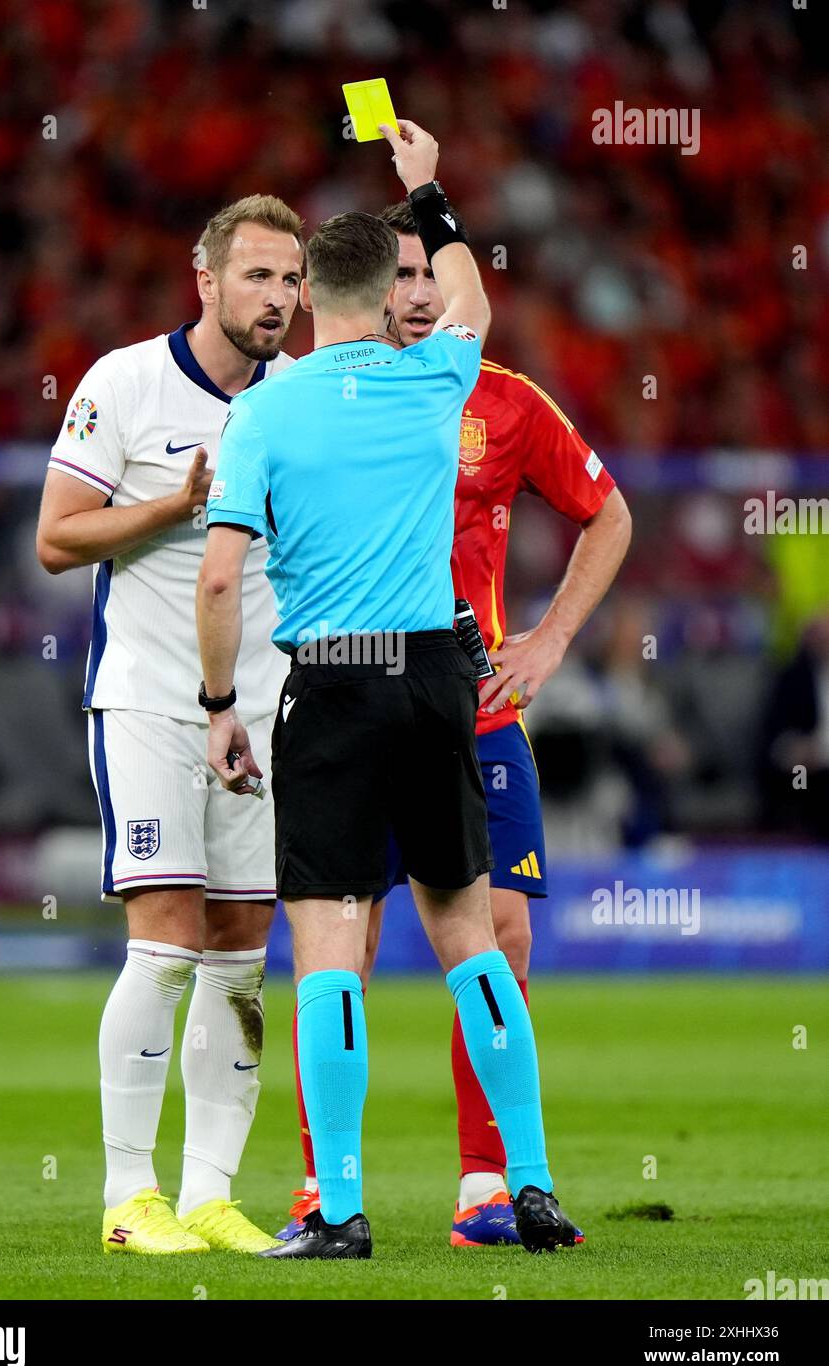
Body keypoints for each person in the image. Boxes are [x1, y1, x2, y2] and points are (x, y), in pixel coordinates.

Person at [197, 120, 581, 1258]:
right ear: (387, 289)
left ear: (310, 290)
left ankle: (340, 1207)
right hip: (434, 681)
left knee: (326, 948)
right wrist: (429, 188)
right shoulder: (438, 378)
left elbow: (221, 577)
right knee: (469, 938)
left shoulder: (266, 410)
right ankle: (533, 1183)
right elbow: (469, 298)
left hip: (331, 682)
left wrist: (221, 703)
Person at [278, 199, 632, 1247]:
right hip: (357, 695)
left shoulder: (503, 400)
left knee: (499, 934)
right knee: (347, 938)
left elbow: (609, 513)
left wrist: (551, 640)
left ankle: (486, 1183)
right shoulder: (343, 394)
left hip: (468, 711)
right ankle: (322, 1183)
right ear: (367, 295)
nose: (421, 291)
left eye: (434, 273)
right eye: (401, 276)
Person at [36, 195, 304, 1255]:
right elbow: (57, 539)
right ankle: (125, 1195)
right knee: (166, 942)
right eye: (257, 277)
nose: (278, 298)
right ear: (206, 281)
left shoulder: (299, 399)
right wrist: (172, 504)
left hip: (265, 706)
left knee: (242, 949)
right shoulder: (125, 381)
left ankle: (207, 1195)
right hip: (150, 697)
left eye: (290, 280)